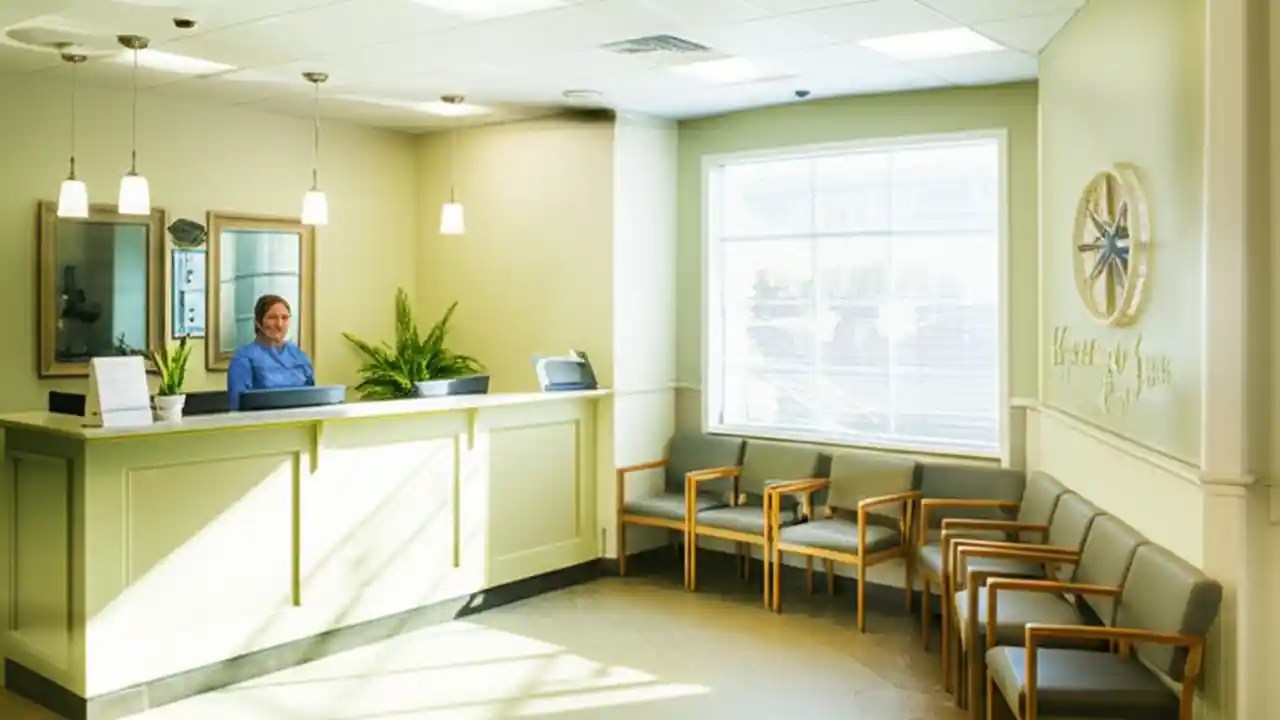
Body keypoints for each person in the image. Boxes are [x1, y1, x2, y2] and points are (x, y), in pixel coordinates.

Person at [226, 294, 315, 410]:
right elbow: (238, 405)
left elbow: (312, 398)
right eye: (272, 318)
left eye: (285, 318)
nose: (279, 325)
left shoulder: (299, 356)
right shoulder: (244, 359)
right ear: (258, 322)